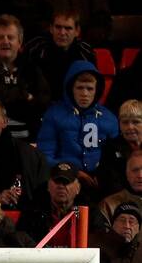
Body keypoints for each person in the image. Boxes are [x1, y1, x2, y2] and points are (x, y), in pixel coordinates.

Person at [37, 59, 119, 187]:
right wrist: (73, 172)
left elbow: (115, 156)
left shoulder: (109, 118)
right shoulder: (53, 114)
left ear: (97, 91)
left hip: (100, 180)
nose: (84, 94)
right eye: (80, 88)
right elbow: (44, 156)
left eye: (90, 89)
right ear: (70, 88)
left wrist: (103, 174)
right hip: (64, 178)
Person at [0, 15, 51, 143]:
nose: (5, 41)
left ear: (19, 42)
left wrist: (11, 100)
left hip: (30, 140)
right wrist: (27, 97)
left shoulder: (32, 69)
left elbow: (43, 103)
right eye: (0, 37)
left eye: (10, 37)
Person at [24, 9, 97, 98]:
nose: (62, 33)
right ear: (51, 28)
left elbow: (91, 85)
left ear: (77, 31)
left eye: (68, 28)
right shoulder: (35, 48)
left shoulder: (86, 52)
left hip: (74, 103)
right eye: (58, 27)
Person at [20, 160, 82, 242]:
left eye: (66, 182)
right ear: (48, 186)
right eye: (57, 181)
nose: (61, 186)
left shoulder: (87, 216)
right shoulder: (32, 213)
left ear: (78, 188)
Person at [97, 102, 142, 199]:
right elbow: (109, 183)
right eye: (125, 122)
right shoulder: (109, 148)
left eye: (136, 122)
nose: (130, 127)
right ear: (119, 125)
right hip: (121, 200)